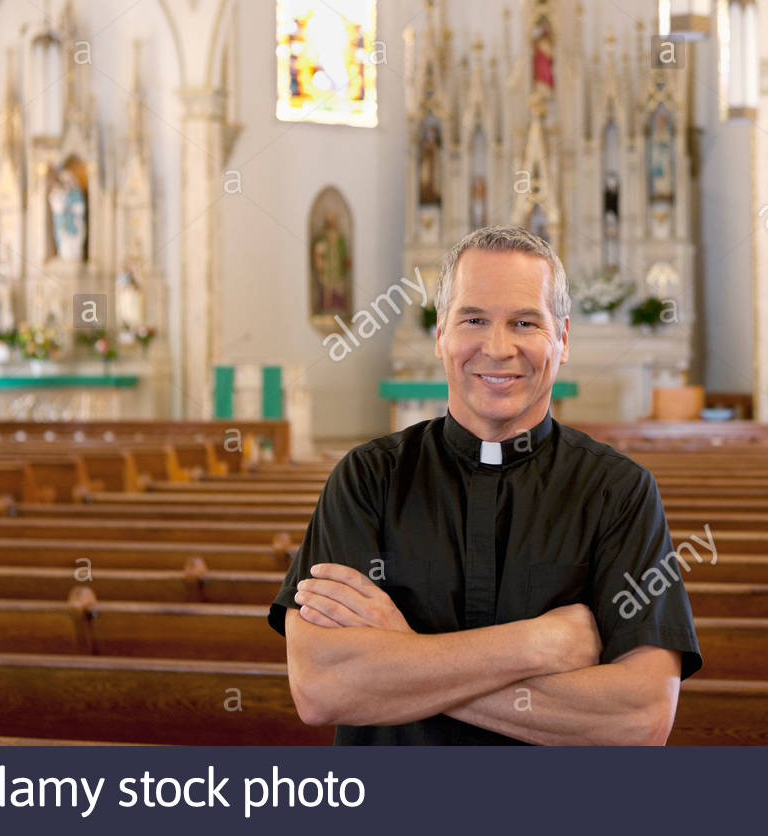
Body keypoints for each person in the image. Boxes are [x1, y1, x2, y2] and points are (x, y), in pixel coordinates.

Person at [269, 226, 701, 745]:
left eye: (524, 322)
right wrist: (538, 644)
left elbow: (641, 718)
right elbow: (322, 688)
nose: (498, 348)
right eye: (473, 319)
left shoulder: (620, 492)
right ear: (440, 335)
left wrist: (402, 654)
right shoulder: (366, 479)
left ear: (562, 339)